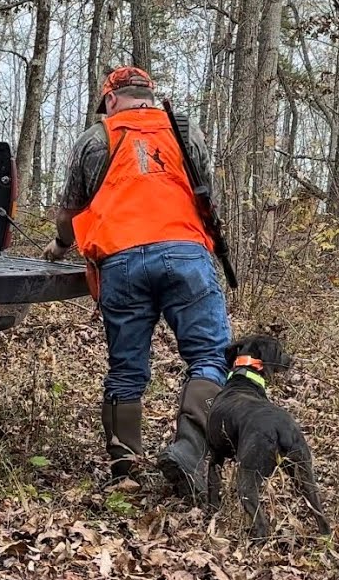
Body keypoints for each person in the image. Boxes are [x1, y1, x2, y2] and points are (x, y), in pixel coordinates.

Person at [43, 66, 232, 501]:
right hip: (186, 254)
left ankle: (123, 469)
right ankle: (188, 449)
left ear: (111, 100)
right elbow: (207, 193)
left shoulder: (96, 138)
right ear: (148, 94)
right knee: (208, 355)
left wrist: (59, 246)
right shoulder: (185, 131)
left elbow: (70, 211)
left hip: (122, 262)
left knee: (126, 368)